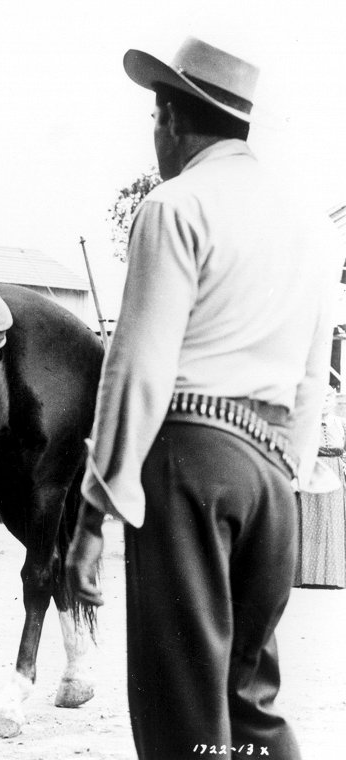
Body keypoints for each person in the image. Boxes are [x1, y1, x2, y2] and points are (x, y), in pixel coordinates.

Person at [65, 37, 342, 759]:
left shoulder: (175, 204)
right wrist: (287, 471)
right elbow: (315, 375)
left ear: (169, 121)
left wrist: (96, 513)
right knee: (251, 704)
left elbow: (138, 369)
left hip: (190, 462)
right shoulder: (310, 226)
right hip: (272, 478)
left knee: (183, 710)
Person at [294, 387, 346, 588]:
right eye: (321, 398)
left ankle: (334, 578)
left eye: (328, 398)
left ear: (333, 402)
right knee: (310, 522)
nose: (324, 403)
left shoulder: (341, 425)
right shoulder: (307, 425)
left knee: (333, 524)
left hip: (335, 476)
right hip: (311, 475)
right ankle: (307, 578)